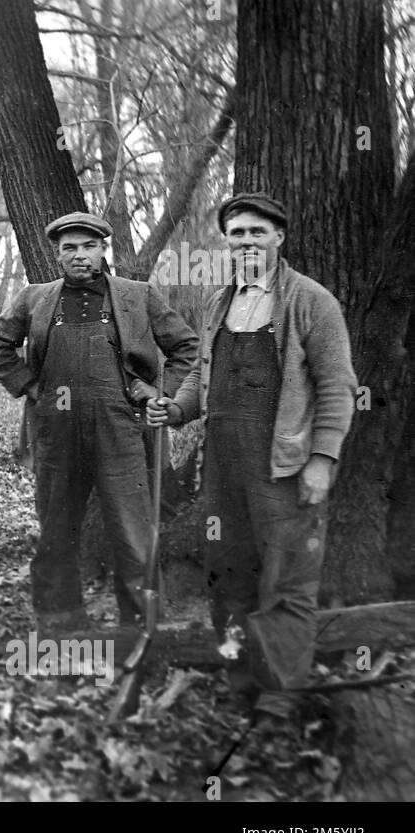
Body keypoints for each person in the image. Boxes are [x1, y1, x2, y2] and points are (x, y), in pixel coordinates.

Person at [148, 192, 356, 723]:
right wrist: (175, 410)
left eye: (256, 232)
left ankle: (281, 694)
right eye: (236, 233)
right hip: (222, 468)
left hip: (284, 468)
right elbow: (203, 374)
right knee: (228, 574)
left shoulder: (311, 302)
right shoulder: (219, 301)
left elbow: (337, 386)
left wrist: (322, 459)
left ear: (278, 238)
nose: (245, 242)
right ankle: (240, 679)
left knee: (287, 580)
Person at [0, 212, 198, 637]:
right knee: (56, 530)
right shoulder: (35, 298)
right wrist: (26, 385)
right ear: (57, 254)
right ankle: (59, 625)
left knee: (133, 531)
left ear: (103, 250)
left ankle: (141, 630)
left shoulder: (138, 295)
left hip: (122, 431)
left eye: (87, 246)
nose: (79, 255)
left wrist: (159, 392)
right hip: (56, 433)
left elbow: (186, 347)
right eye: (69, 248)